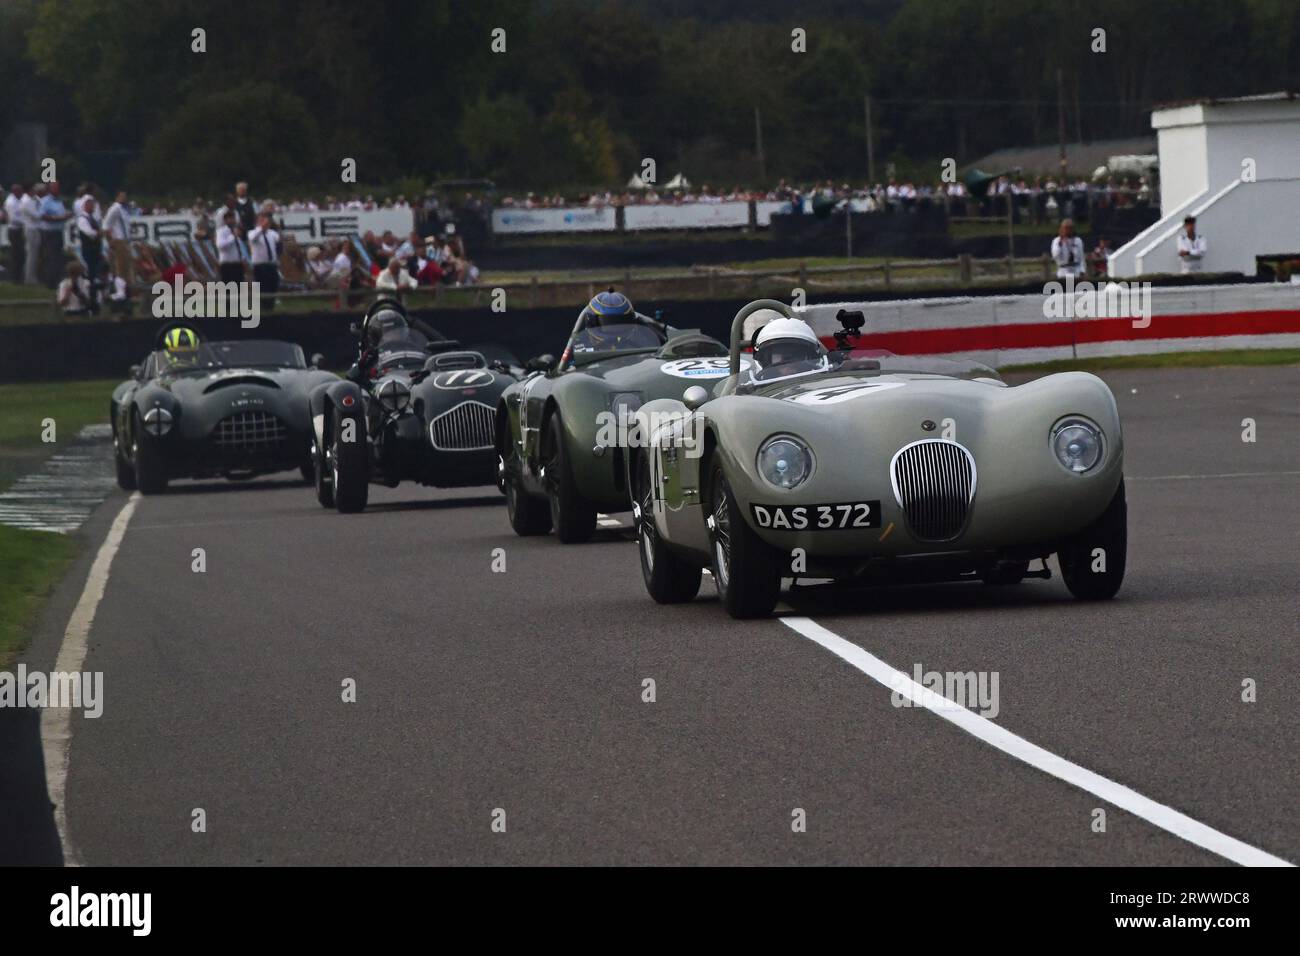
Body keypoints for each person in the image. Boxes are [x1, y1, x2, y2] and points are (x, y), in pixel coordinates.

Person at [749, 317, 827, 382]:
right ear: (765, 359)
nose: (788, 364)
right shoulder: (753, 395)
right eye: (781, 354)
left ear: (810, 357)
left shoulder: (823, 383)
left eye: (796, 355)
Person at [37, 181, 71, 288]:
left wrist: (66, 215)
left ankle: (57, 279)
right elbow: (42, 216)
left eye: (58, 187)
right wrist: (58, 218)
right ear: (50, 189)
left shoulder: (59, 201)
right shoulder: (45, 201)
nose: (57, 190)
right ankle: (50, 281)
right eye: (55, 188)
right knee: (51, 257)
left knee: (58, 257)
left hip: (58, 231)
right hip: (49, 232)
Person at [247, 212, 280, 310]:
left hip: (272, 264)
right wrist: (261, 228)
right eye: (261, 220)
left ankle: (270, 306)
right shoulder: (252, 233)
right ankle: (264, 307)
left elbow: (278, 242)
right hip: (260, 265)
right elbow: (252, 238)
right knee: (263, 286)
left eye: (265, 220)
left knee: (273, 284)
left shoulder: (272, 233)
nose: (265, 222)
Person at [76, 196, 103, 313]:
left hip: (95, 250)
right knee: (90, 273)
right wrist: (99, 233)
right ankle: (90, 298)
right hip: (88, 250)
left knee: (96, 272)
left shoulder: (93, 219)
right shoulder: (82, 219)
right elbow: (89, 233)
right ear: (85, 206)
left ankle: (95, 297)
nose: (93, 207)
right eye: (91, 205)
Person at [103, 191, 133, 284]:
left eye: (125, 196)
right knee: (120, 266)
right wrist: (110, 240)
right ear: (117, 197)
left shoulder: (123, 209)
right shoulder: (114, 208)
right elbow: (106, 225)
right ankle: (121, 287)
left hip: (126, 240)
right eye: (122, 196)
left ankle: (127, 286)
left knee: (127, 265)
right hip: (118, 240)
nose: (124, 198)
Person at [3, 184, 25, 283]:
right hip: (14, 230)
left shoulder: (18, 200)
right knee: (16, 254)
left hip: (18, 229)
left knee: (19, 254)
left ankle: (18, 276)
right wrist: (26, 221)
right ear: (15, 191)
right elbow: (13, 219)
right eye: (20, 191)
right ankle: (15, 277)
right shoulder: (11, 202)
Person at [215, 209, 244, 282]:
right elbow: (220, 246)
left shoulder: (236, 230)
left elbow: (238, 247)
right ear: (225, 220)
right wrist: (233, 236)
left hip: (238, 264)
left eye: (233, 218)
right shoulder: (221, 231)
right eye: (230, 218)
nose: (232, 220)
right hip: (227, 265)